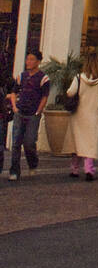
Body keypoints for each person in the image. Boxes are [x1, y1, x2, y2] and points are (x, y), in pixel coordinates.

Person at [65, 49, 98, 180]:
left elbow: (70, 93)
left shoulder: (78, 78)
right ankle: (89, 169)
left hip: (78, 115)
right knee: (90, 143)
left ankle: (74, 168)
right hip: (93, 115)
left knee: (77, 142)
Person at [8, 50, 50, 180]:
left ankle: (33, 163)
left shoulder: (43, 78)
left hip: (33, 114)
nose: (29, 62)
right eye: (27, 59)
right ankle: (14, 171)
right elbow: (14, 91)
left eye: (32, 59)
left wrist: (39, 110)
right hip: (20, 112)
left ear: (38, 62)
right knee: (16, 143)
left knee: (29, 142)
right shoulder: (22, 76)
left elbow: (44, 96)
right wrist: (14, 106)